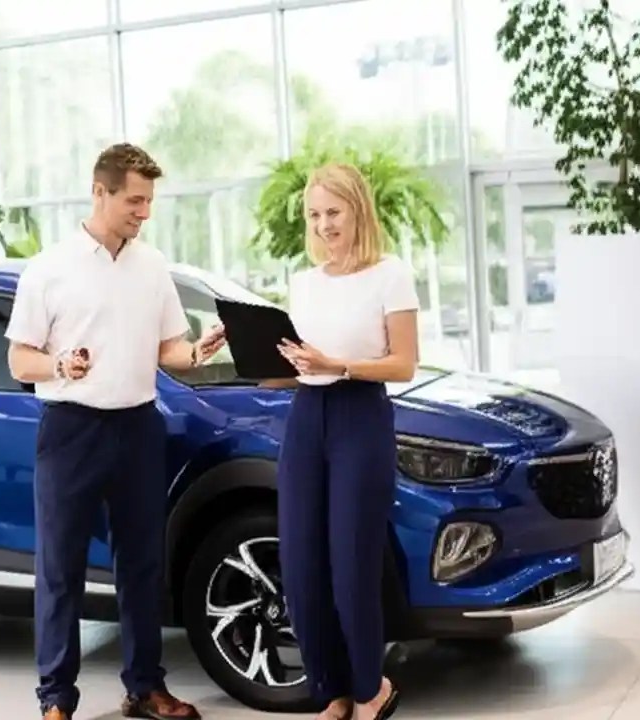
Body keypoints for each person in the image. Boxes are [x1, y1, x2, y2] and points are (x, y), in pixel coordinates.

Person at [5, 142, 227, 720]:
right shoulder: (48, 268)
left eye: (150, 200)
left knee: (142, 564)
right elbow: (18, 360)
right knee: (61, 568)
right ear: (99, 191)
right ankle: (55, 700)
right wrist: (58, 366)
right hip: (71, 428)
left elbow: (167, 349)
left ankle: (145, 688)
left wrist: (195, 352)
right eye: (134, 199)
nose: (144, 211)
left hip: (138, 426)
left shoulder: (152, 266)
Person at [274, 163, 418, 720]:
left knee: (351, 563)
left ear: (358, 208)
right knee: (301, 562)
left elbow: (403, 363)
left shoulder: (390, 274)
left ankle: (369, 688)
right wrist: (257, 357)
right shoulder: (303, 283)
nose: (324, 224)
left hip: (361, 416)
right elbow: (293, 371)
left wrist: (336, 365)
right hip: (306, 414)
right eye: (315, 214)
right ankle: (330, 690)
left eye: (333, 212)